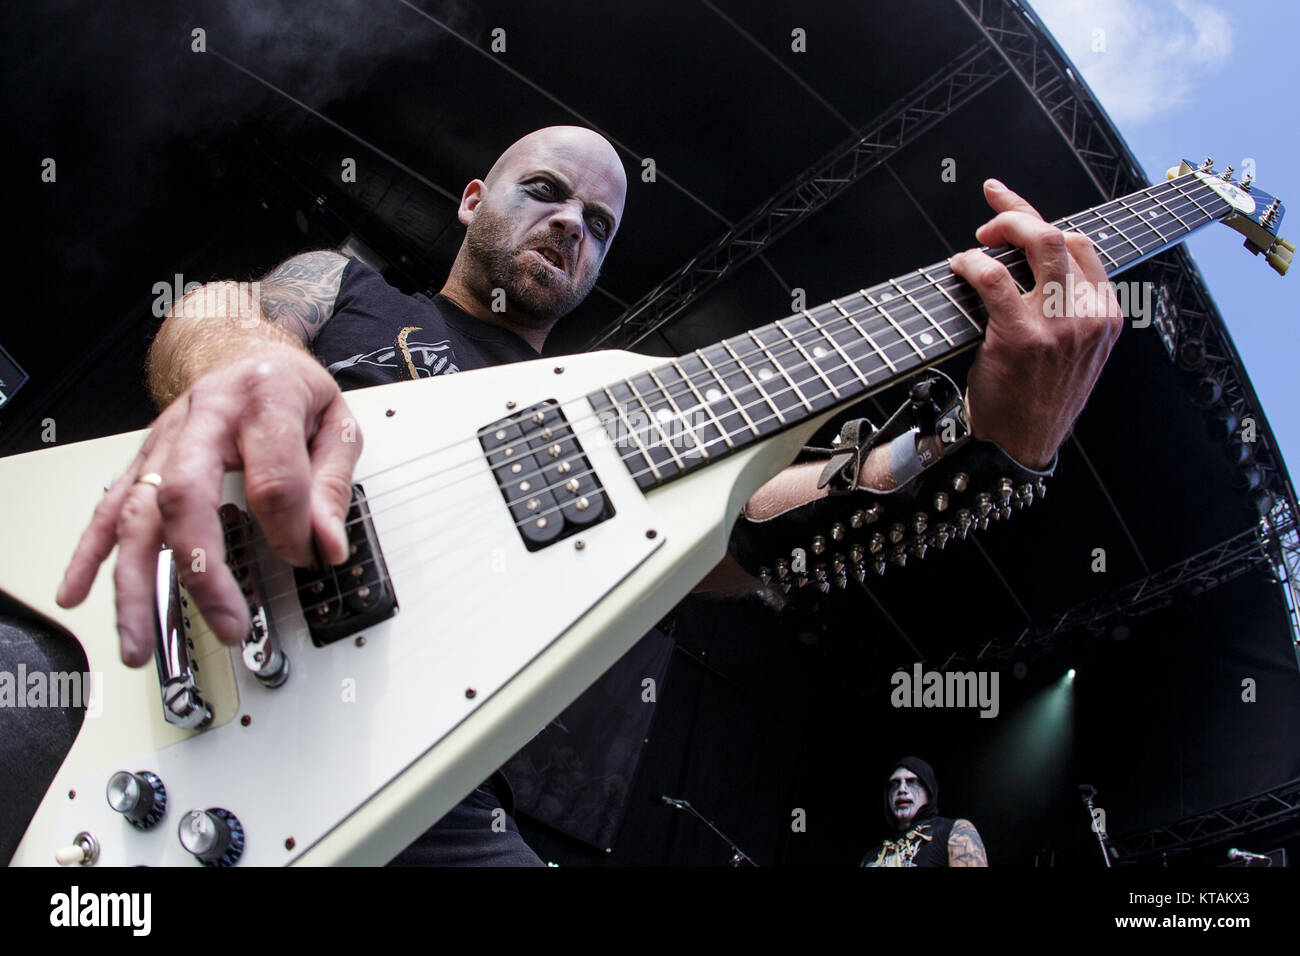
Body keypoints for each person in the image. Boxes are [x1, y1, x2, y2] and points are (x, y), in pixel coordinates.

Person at [53, 125, 1122, 865]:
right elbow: (215, 315)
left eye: (599, 224)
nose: (572, 222)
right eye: (546, 191)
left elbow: (765, 530)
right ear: (474, 200)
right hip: (159, 644)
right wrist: (247, 355)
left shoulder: (630, 409)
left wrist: (986, 445)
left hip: (428, 788)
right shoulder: (348, 290)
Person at [863, 757, 988, 867]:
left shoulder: (953, 832)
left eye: (912, 781)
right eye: (894, 784)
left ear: (928, 790)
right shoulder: (873, 856)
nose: (901, 789)